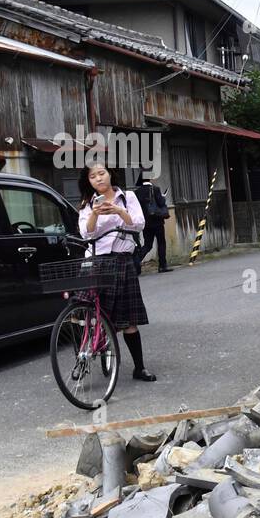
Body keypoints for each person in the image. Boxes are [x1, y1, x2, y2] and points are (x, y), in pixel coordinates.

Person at [78, 163, 157, 382]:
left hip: (122, 260)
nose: (98, 179)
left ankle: (139, 368)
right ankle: (93, 355)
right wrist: (94, 213)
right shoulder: (88, 203)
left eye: (101, 173)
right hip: (96, 261)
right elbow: (86, 233)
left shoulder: (127, 197)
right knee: (93, 316)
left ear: (111, 174)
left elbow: (138, 224)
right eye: (93, 176)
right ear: (89, 181)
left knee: (129, 319)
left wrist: (119, 211)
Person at [134, 172, 172, 273]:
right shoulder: (156, 189)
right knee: (161, 243)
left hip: (145, 223)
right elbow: (161, 203)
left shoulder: (137, 192)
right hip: (157, 221)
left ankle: (135, 263)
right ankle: (162, 266)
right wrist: (162, 197)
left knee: (147, 245)